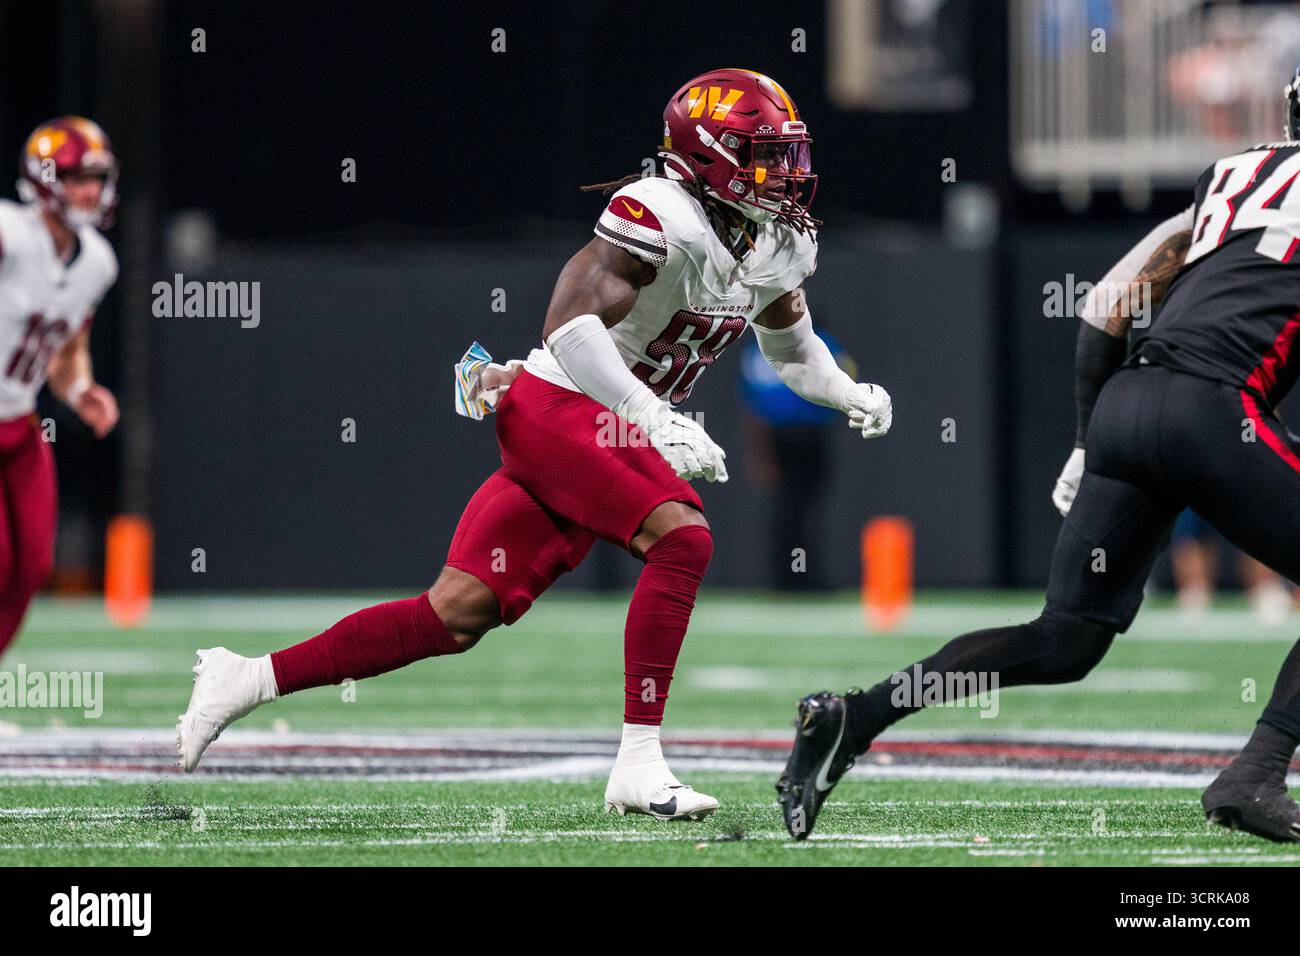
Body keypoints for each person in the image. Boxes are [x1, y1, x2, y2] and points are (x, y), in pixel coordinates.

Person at [177, 69, 893, 821]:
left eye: (787, 155)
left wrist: (845, 391)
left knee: (452, 615)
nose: (785, 175)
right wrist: (651, 417)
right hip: (559, 406)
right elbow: (567, 325)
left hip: (598, 425)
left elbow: (792, 350)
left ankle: (245, 678)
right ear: (707, 154)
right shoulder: (662, 214)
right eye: (763, 155)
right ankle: (639, 763)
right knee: (683, 540)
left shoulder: (776, 240)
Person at [778, 66, 1300, 844]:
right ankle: (1255, 774)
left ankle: (858, 715)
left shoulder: (1233, 174)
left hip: (1131, 397)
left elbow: (1104, 310)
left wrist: (1090, 442)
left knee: (1065, 638)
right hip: (1213, 409)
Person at [0, 116, 120, 658]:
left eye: (97, 176)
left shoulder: (97, 262)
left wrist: (79, 391)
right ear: (47, 180)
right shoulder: (11, 235)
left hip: (20, 422)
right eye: (77, 177)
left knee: (30, 566)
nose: (91, 190)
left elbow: (66, 348)